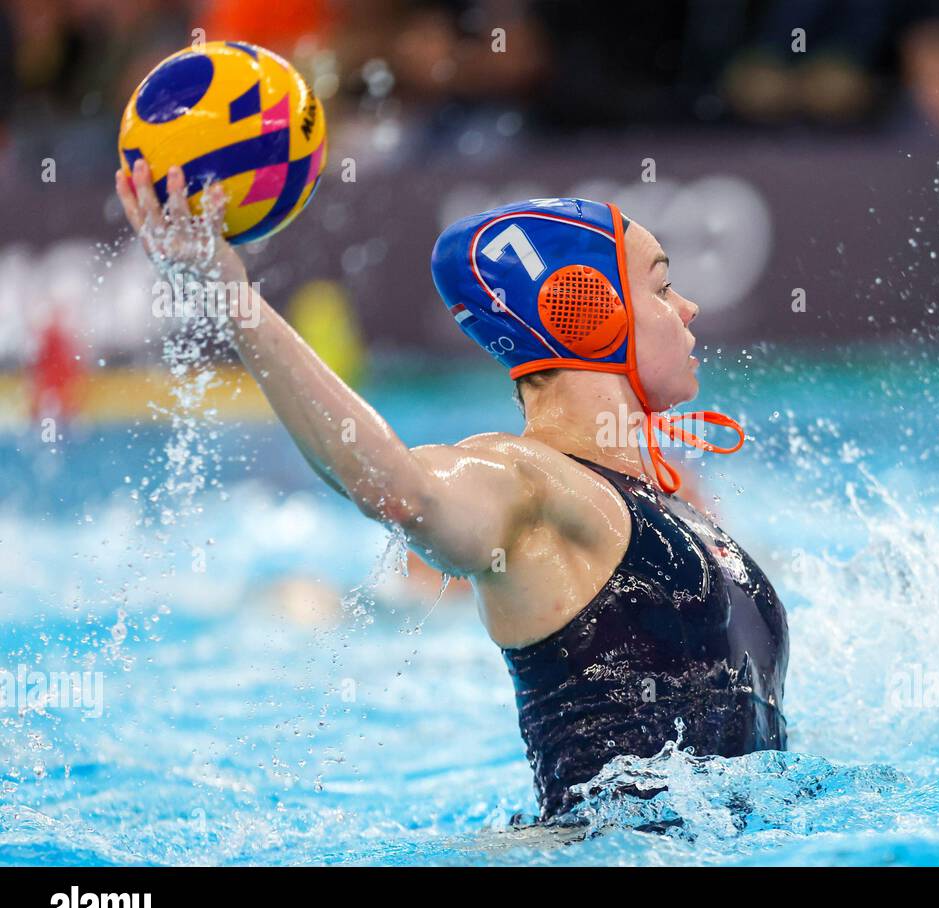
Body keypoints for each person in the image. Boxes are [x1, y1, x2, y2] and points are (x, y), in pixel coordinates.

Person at [114, 161, 789, 820]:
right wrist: (236, 299)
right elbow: (400, 492)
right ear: (589, 307)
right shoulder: (527, 482)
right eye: (663, 288)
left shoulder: (672, 505)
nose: (689, 306)